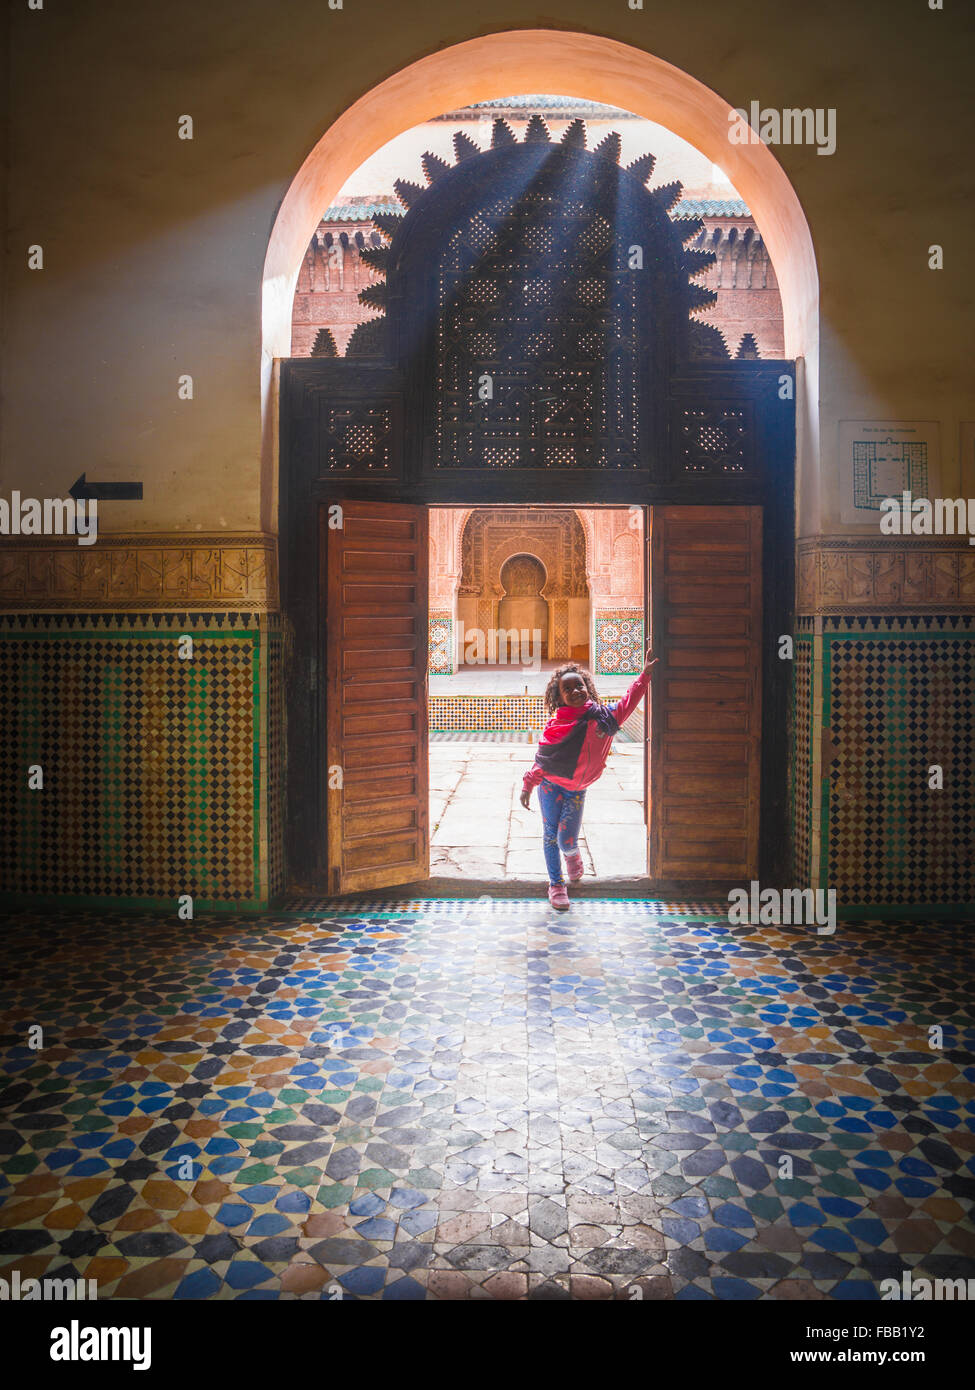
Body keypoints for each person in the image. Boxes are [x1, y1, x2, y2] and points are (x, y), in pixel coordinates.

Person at [519, 645, 658, 910]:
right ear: (559, 697)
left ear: (588, 687)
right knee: (550, 835)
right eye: (567, 689)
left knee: (567, 839)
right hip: (551, 786)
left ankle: (572, 855)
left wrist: (645, 675)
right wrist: (528, 785)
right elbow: (544, 761)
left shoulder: (605, 718)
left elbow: (630, 699)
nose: (575, 691)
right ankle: (556, 884)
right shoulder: (558, 724)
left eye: (579, 686)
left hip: (578, 789)